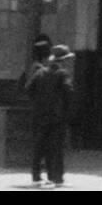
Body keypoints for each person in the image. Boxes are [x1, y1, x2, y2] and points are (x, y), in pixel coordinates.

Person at [25, 43, 74, 186]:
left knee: (39, 146)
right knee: (56, 148)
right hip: (57, 117)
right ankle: (56, 177)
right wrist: (67, 110)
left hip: (40, 116)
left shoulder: (40, 73)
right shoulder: (62, 74)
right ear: (63, 60)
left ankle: (36, 177)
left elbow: (28, 89)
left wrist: (39, 103)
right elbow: (69, 93)